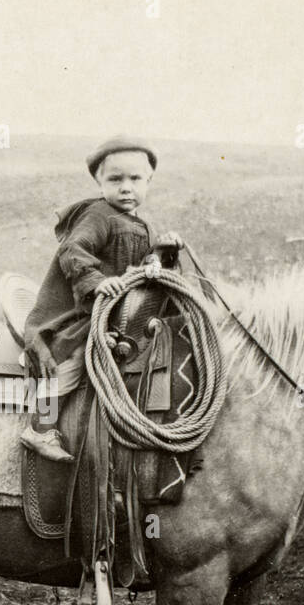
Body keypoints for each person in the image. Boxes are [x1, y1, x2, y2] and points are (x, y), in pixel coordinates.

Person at [20, 135, 182, 461]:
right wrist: (95, 281)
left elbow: (143, 267)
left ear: (148, 181)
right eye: (115, 179)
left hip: (117, 319)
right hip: (79, 313)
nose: (126, 187)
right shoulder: (98, 215)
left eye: (135, 179)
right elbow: (73, 250)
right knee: (73, 361)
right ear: (99, 181)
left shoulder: (143, 227)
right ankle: (39, 427)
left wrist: (163, 253)